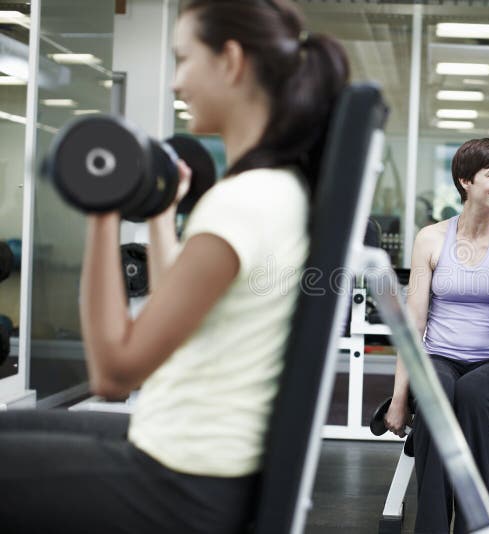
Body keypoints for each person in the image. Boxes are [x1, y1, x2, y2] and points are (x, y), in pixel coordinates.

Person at [0, 1, 348, 532]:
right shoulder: (278, 191)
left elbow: (113, 375)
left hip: (182, 483)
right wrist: (162, 214)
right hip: (197, 461)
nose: (174, 83)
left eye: (184, 59)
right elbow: (178, 316)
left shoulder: (242, 201)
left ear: (230, 61)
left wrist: (102, 209)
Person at [384, 138, 489, 534]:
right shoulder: (431, 238)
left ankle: (475, 527)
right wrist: (399, 398)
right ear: (465, 182)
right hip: (440, 357)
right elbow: (414, 325)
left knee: (474, 393)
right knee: (437, 388)